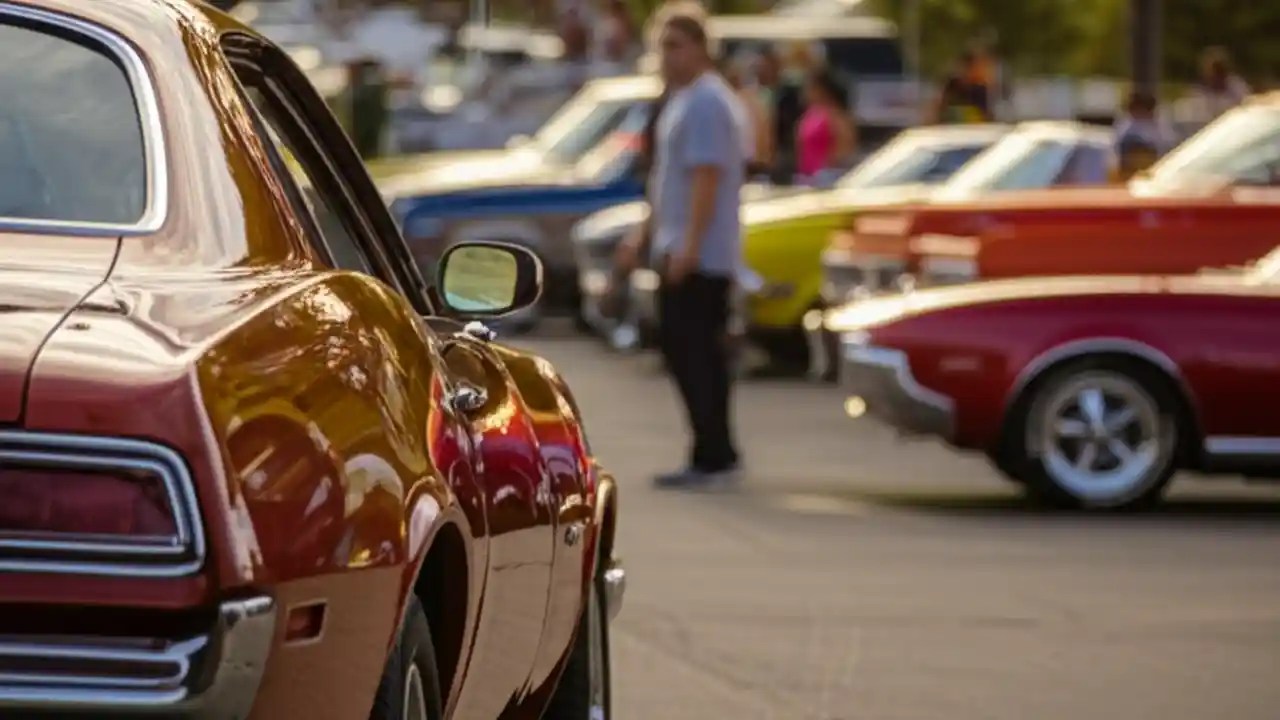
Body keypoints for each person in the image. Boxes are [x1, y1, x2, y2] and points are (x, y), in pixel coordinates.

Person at [619, 12, 746, 486]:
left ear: (699, 47)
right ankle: (712, 450)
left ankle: (713, 455)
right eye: (662, 46)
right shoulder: (682, 100)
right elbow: (666, 181)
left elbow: (706, 178)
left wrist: (690, 245)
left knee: (695, 351)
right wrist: (643, 235)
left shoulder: (708, 102)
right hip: (677, 243)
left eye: (676, 45)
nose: (667, 56)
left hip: (701, 253)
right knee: (684, 348)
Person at [795, 68, 856, 186]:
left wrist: (828, 170)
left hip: (827, 177)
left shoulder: (836, 115)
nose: (806, 92)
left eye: (810, 88)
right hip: (805, 176)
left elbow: (845, 149)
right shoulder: (810, 114)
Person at [1112, 90, 1173, 180]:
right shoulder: (1125, 125)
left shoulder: (1160, 127)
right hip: (1128, 172)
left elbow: (1167, 149)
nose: (1141, 113)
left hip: (1154, 171)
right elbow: (1117, 150)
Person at [1190, 47, 1250, 124]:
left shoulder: (1237, 86)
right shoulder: (1199, 92)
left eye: (1220, 69)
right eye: (1214, 70)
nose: (1216, 74)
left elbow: (1246, 107)